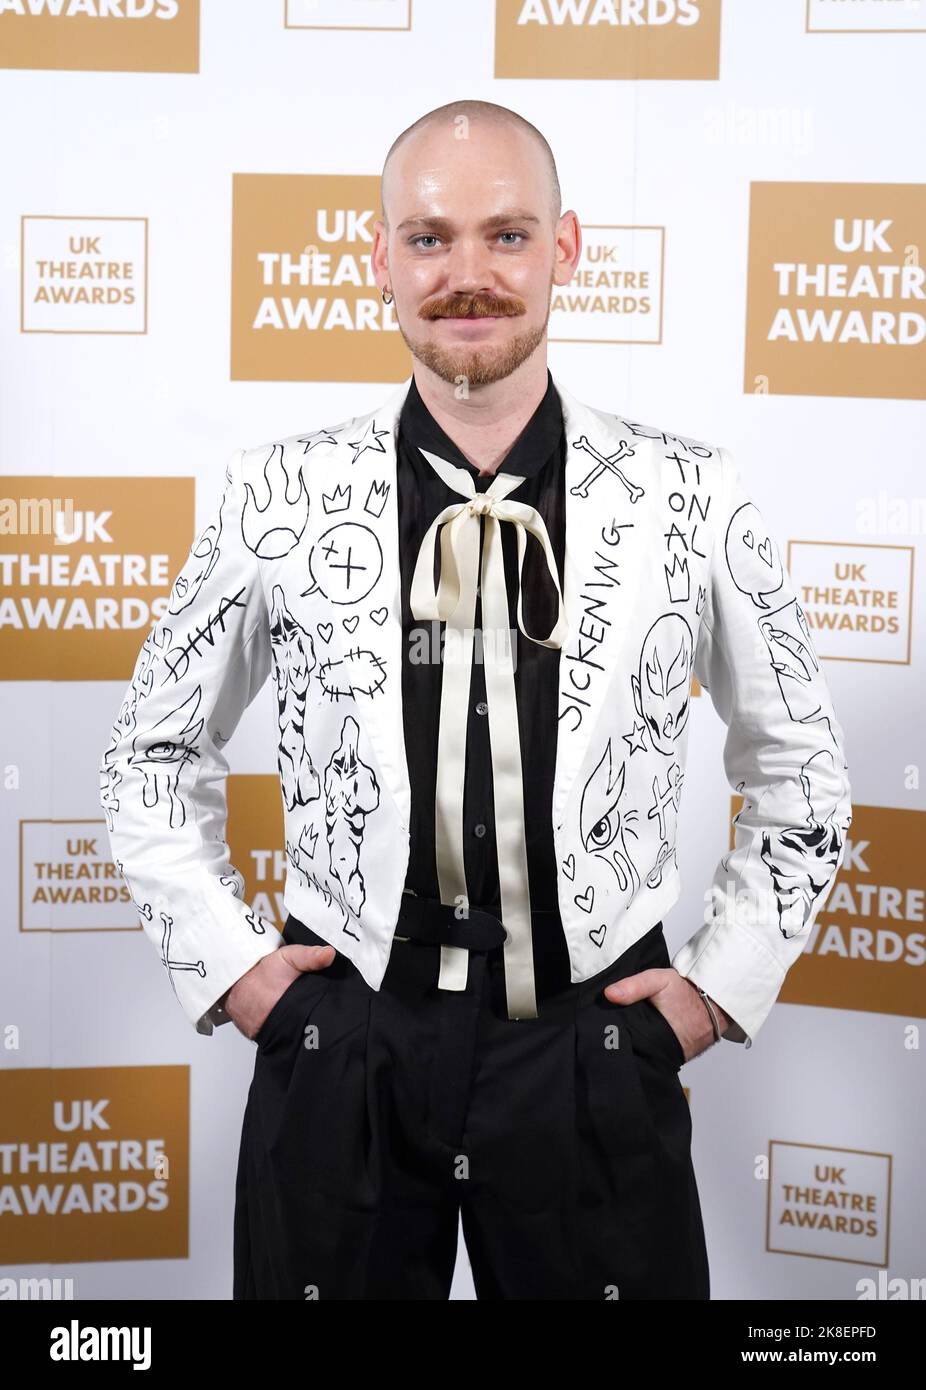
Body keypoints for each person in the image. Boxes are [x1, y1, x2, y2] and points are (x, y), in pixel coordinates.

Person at [99, 99, 852, 1300]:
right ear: (379, 259)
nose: (466, 276)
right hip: (343, 1037)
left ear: (563, 249)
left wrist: (710, 994)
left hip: (592, 1040)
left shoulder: (691, 495)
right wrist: (244, 975)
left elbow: (802, 776)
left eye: (505, 236)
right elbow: (150, 753)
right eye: (429, 238)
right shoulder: (272, 494)